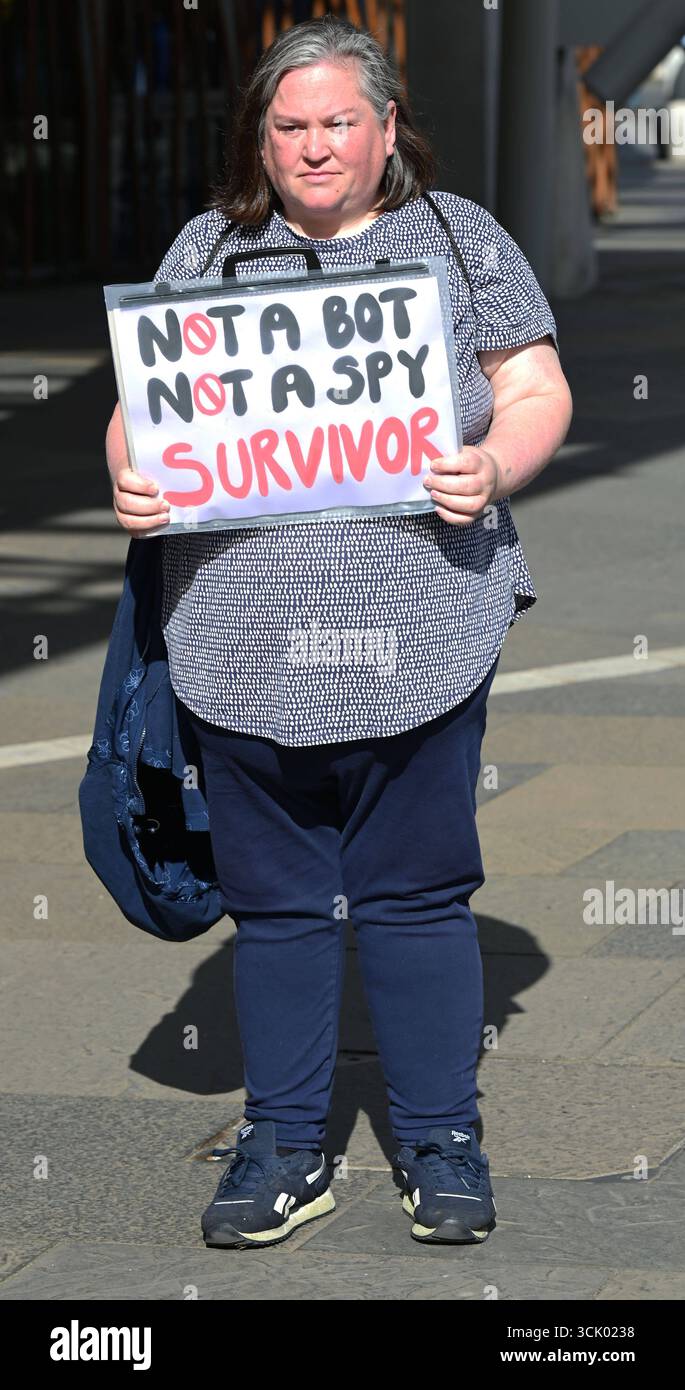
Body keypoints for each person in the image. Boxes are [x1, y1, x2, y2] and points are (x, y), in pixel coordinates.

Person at [105, 15, 572, 1250]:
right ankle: (286, 1139)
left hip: (419, 624)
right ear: (263, 135)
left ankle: (438, 1137)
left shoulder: (458, 239)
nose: (314, 147)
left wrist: (493, 463)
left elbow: (533, 384)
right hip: (236, 635)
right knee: (276, 905)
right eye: (290, 125)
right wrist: (131, 477)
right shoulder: (209, 249)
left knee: (418, 892)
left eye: (338, 123)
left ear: (384, 131)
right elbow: (137, 410)